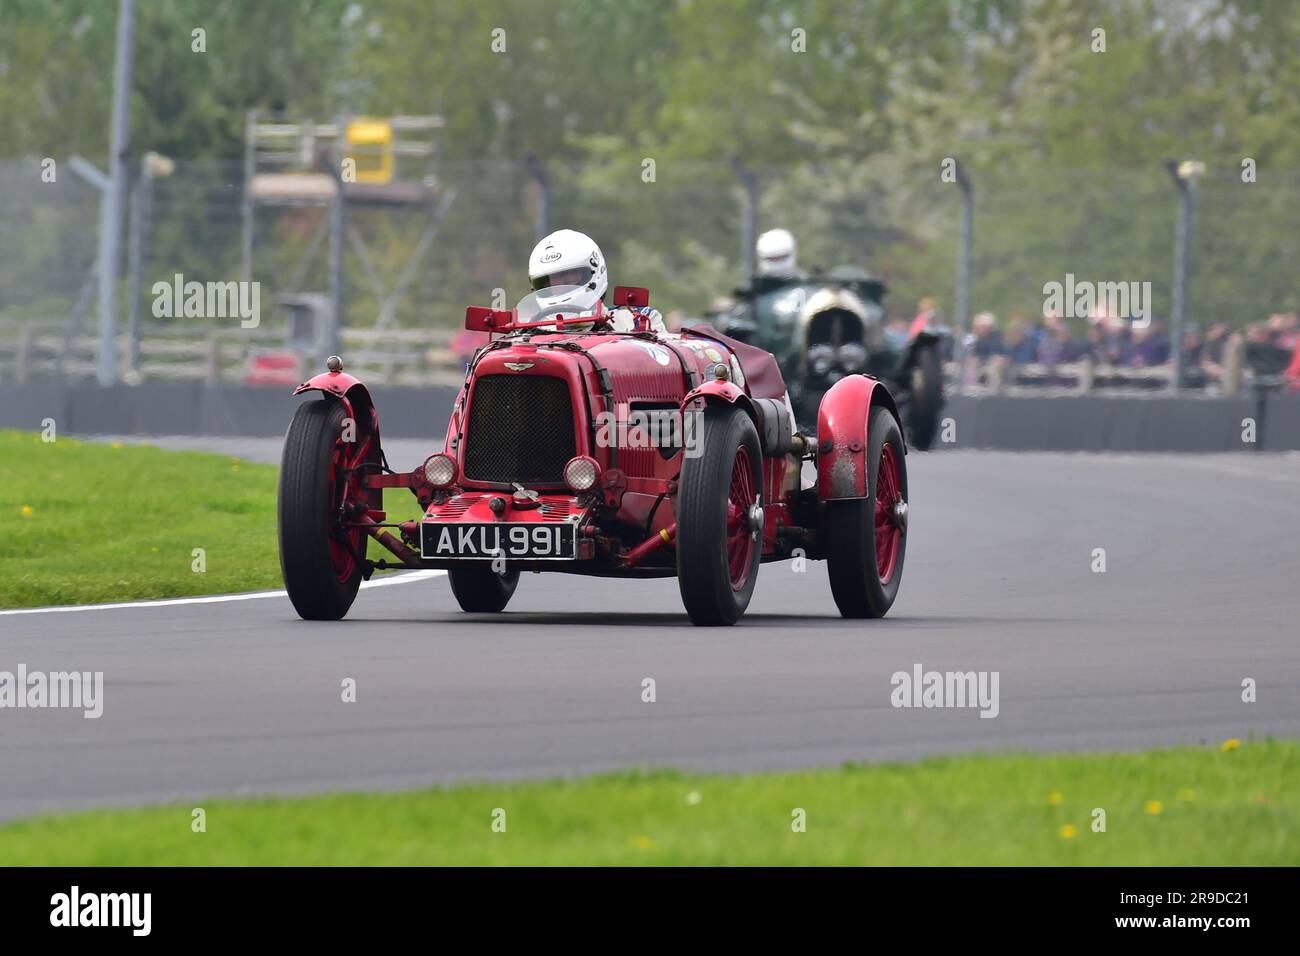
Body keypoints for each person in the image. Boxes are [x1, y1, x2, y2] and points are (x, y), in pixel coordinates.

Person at [527, 228, 664, 332]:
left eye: (569, 276)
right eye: (549, 282)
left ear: (595, 271)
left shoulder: (638, 322)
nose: (559, 287)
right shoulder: (527, 333)